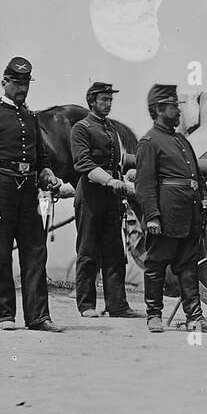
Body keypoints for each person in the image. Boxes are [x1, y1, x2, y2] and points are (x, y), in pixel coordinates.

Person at [0, 57, 70, 332]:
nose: (22, 88)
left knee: (36, 253)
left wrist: (46, 172)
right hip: (1, 192)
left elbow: (42, 157)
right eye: (17, 82)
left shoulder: (30, 117)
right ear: (4, 83)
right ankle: (5, 316)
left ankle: (38, 317)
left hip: (28, 195)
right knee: (0, 256)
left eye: (26, 83)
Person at [135, 82, 207, 335]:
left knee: (188, 266)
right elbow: (144, 185)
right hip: (165, 215)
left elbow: (196, 174)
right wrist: (152, 216)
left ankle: (195, 318)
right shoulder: (149, 142)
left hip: (189, 214)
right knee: (156, 265)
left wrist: (204, 196)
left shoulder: (182, 141)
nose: (178, 111)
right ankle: (154, 316)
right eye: (174, 107)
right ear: (159, 109)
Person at [70, 82, 139, 320]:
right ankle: (86, 305)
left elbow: (116, 162)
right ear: (91, 102)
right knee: (88, 250)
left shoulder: (110, 128)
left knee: (114, 252)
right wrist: (109, 181)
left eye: (110, 100)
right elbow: (83, 164)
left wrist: (119, 182)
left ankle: (117, 305)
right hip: (90, 194)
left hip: (111, 197)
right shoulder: (81, 128)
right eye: (104, 100)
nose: (108, 104)